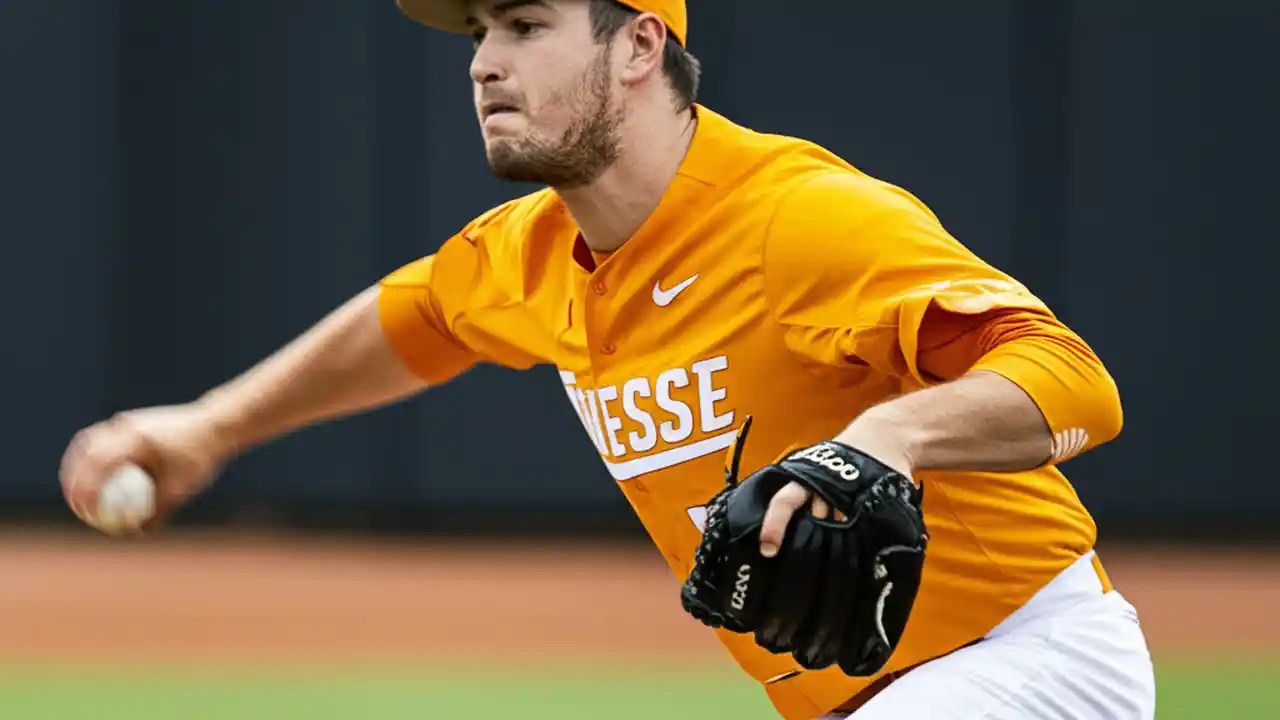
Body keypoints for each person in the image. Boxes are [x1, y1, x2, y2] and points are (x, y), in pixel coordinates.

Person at [58, 1, 1157, 717]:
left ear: (638, 46)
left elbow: (1074, 382)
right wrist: (211, 425)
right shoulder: (534, 252)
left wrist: (881, 440)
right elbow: (417, 320)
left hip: (1028, 661)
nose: (483, 63)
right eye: (478, 33)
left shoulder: (797, 219)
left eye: (525, 24)